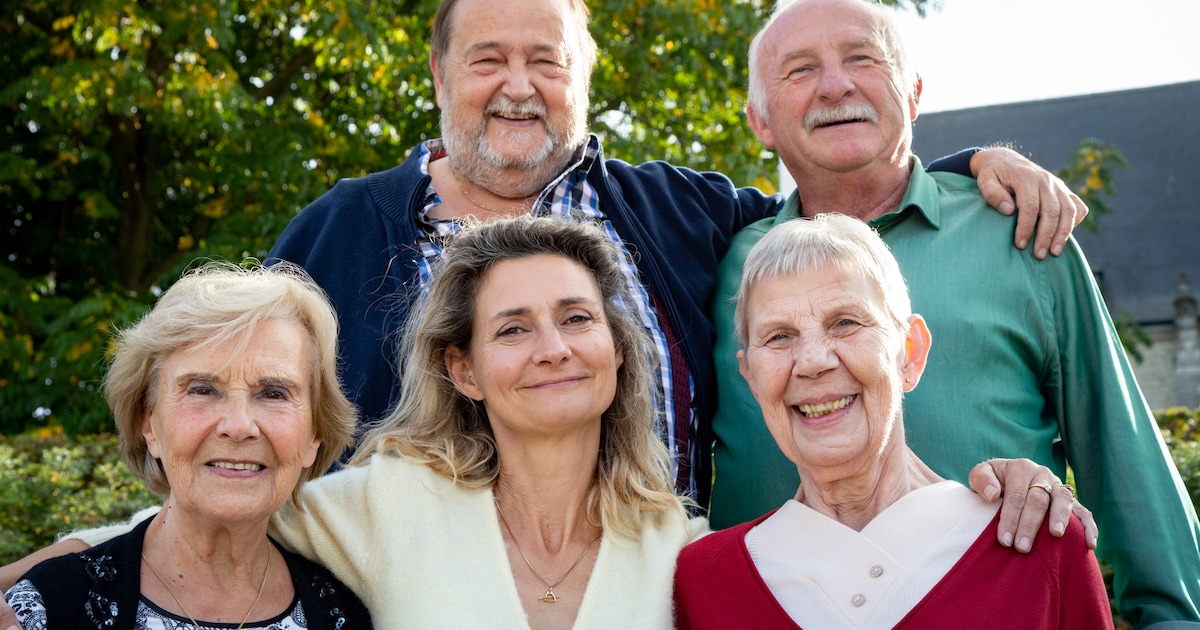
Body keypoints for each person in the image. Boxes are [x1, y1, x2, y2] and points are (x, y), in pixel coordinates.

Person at [0, 217, 1077, 630]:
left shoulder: (685, 550)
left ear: (619, 351)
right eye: (513, 329)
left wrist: (1002, 482)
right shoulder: (383, 506)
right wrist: (40, 578)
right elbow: (215, 520)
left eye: (577, 318)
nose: (554, 346)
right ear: (463, 369)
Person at [267, 0, 1088, 507]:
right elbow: (258, 408)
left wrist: (964, 171)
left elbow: (823, 211)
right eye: (489, 60)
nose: (519, 85)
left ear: (582, 81)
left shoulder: (678, 212)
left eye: (547, 61)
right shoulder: (340, 228)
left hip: (649, 592)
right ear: (442, 77)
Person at [706, 0, 1200, 626]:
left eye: (863, 57)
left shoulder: (1021, 233)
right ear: (760, 121)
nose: (836, 84)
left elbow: (1122, 459)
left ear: (913, 93)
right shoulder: (725, 261)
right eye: (799, 70)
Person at [675, 214, 1112, 629]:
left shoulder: (1039, 545)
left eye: (845, 323)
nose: (811, 362)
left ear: (911, 353)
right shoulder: (704, 583)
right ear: (750, 377)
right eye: (779, 337)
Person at [2, 262, 372, 628]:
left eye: (273, 393)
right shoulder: (49, 607)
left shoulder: (344, 616)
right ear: (149, 424)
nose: (239, 426)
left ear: (314, 435)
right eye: (203, 390)